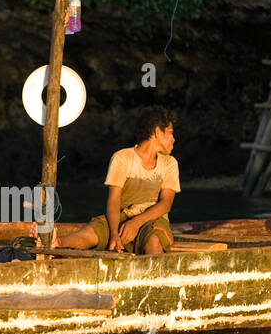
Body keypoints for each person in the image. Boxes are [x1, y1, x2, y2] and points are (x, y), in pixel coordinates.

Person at [58, 105, 180, 255]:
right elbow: (114, 200)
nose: (173, 139)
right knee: (89, 235)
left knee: (153, 242)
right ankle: (55, 243)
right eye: (170, 133)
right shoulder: (122, 158)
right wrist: (115, 235)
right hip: (121, 218)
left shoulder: (170, 163)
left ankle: (155, 274)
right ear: (157, 132)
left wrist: (136, 223)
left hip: (153, 221)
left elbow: (165, 203)